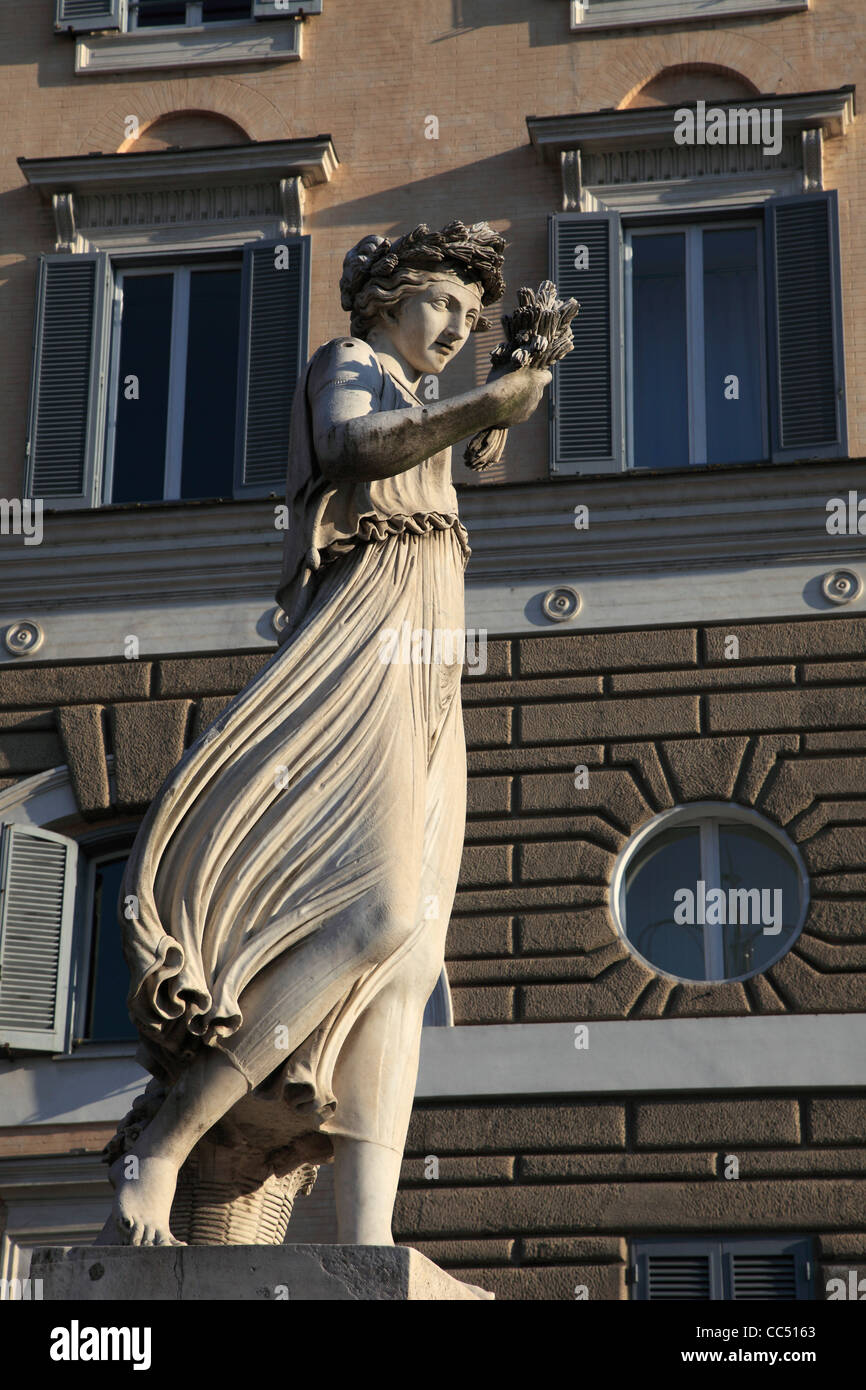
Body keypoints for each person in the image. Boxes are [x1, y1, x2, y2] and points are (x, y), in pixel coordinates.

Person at [103, 221, 550, 1248]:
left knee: (410, 954)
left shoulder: (421, 397)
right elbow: (352, 446)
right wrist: (483, 405)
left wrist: (504, 395)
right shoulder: (346, 363)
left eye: (470, 317)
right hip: (368, 627)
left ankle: (366, 1241)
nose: (455, 327)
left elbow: (451, 449)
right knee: (380, 907)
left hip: (432, 643)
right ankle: (163, 1149)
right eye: (441, 302)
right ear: (387, 298)